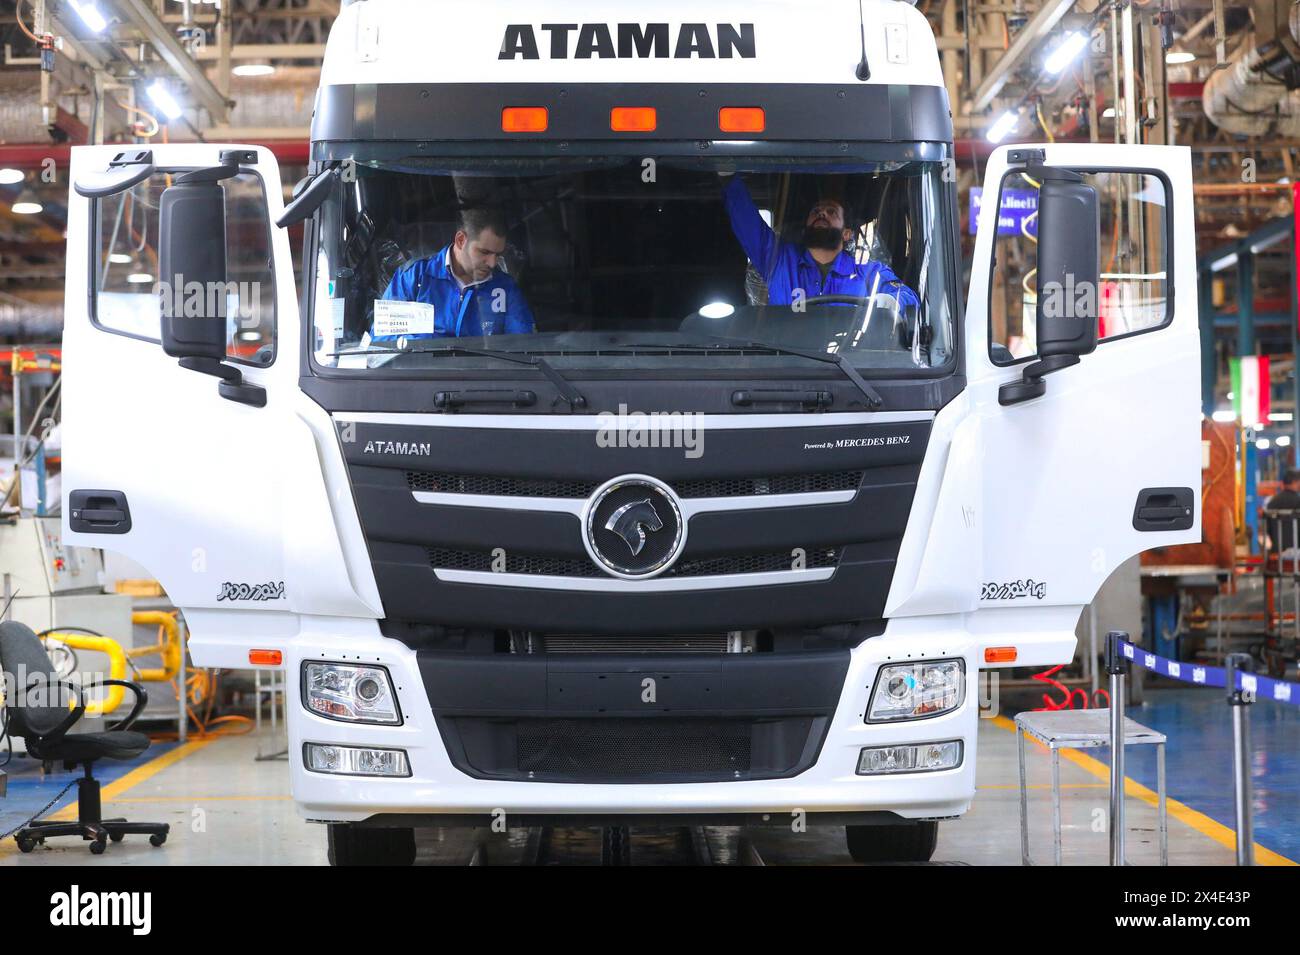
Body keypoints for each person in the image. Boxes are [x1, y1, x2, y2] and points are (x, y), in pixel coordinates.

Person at [721, 175, 919, 310]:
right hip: (787, 367)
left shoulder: (869, 273)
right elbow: (748, 225)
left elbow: (909, 299)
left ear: (847, 234)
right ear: (806, 226)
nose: (821, 213)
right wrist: (728, 175)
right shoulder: (779, 262)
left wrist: (892, 302)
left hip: (850, 368)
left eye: (831, 212)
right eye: (815, 212)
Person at [372, 206, 534, 342]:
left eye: (498, 255)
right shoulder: (414, 277)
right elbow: (381, 338)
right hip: (423, 377)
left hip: (484, 378)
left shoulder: (506, 288)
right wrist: (431, 343)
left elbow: (523, 346)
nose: (492, 263)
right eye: (484, 252)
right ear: (461, 240)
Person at [1264, 469, 1300, 558]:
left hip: (1277, 551)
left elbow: (1268, 527)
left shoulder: (1272, 502)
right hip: (1296, 553)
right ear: (1295, 482)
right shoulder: (1298, 501)